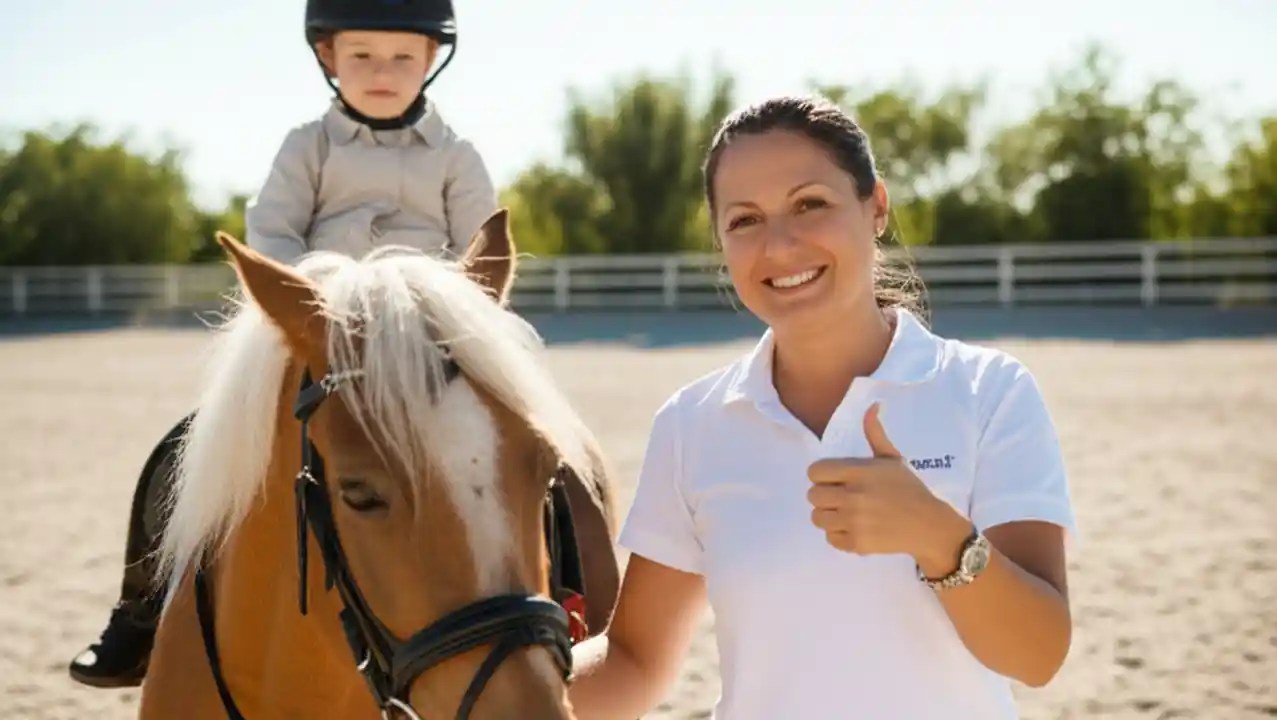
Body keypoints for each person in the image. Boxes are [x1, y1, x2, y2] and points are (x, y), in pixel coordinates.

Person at [565, 95, 1077, 719]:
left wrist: (935, 535)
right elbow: (634, 662)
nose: (779, 246)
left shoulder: (987, 392)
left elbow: (1038, 655)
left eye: (810, 204)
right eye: (745, 220)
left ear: (876, 207)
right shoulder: (692, 424)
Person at [68, 0, 497, 688]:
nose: (381, 71)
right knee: (184, 447)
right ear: (327, 58)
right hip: (320, 335)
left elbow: (480, 247)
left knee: (530, 454)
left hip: (426, 344)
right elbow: (272, 235)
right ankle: (139, 613)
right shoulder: (307, 147)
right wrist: (312, 303)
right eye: (361, 55)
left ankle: (561, 604)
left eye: (401, 57)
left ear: (430, 61)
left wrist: (441, 317)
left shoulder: (458, 155)